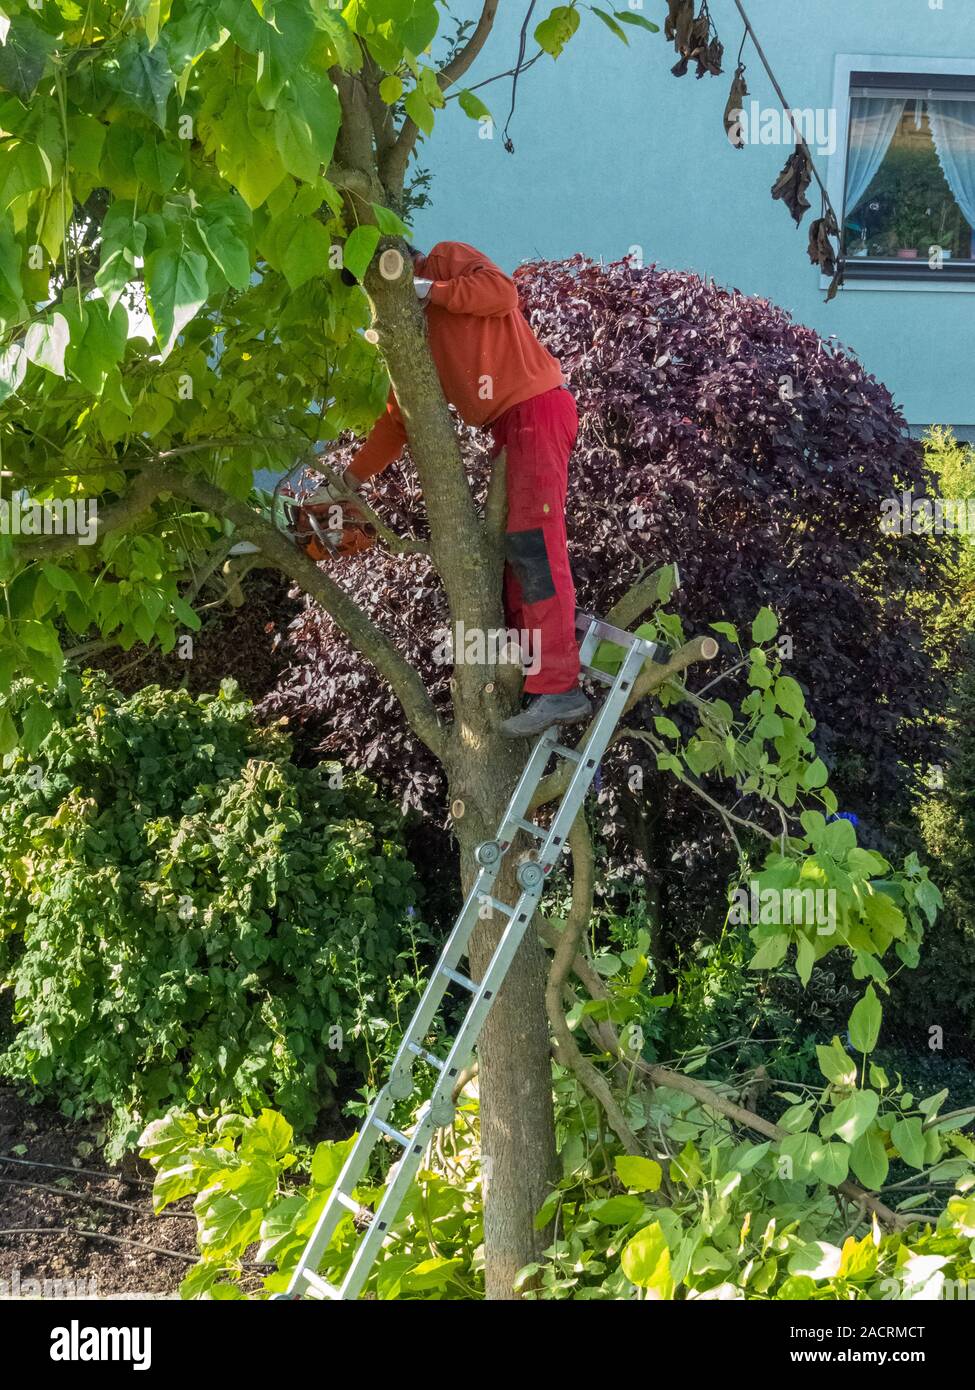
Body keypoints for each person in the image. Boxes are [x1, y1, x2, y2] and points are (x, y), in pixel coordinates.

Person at [316, 240, 591, 739]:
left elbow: (502, 292)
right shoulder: (412, 336)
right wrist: (347, 482)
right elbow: (401, 418)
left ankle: (559, 687)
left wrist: (428, 289)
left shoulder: (444, 260)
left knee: (534, 544)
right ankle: (542, 668)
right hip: (511, 427)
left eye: (375, 280)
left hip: (535, 410)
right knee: (518, 553)